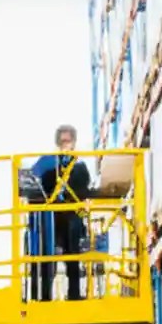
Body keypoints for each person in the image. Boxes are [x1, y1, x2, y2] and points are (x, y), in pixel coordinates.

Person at [30, 125, 91, 302]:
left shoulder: (79, 166)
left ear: (74, 142)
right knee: (47, 253)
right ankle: (44, 295)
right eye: (63, 141)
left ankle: (73, 294)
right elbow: (33, 176)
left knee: (73, 253)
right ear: (58, 142)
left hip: (71, 215)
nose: (66, 144)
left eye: (69, 141)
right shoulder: (48, 162)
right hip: (52, 214)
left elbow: (84, 189)